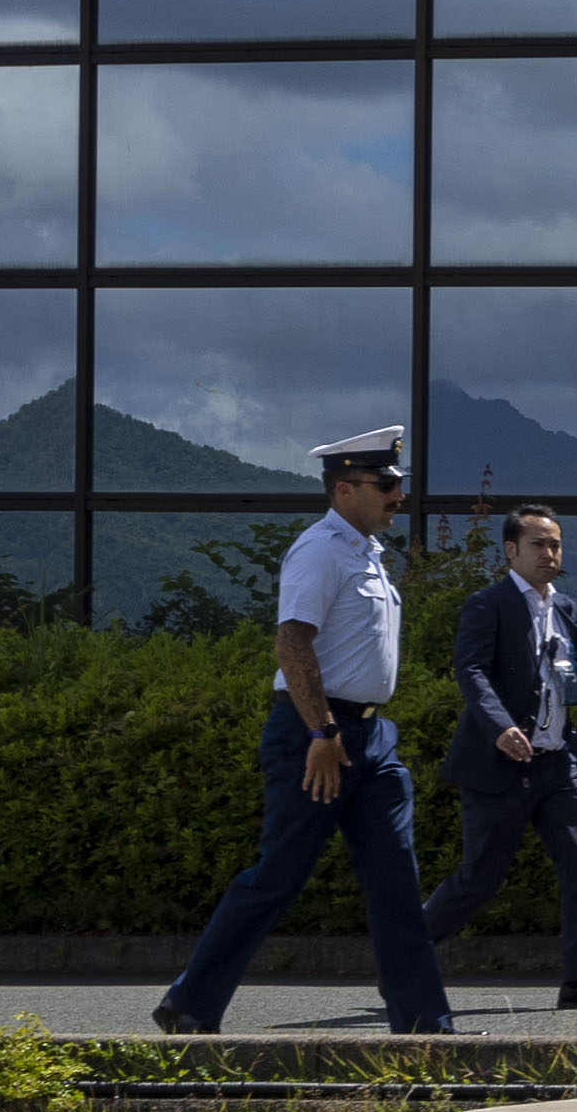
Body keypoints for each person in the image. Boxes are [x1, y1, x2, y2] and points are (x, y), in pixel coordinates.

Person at [154, 428, 456, 1036]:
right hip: (317, 735)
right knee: (278, 876)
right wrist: (321, 732)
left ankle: (427, 1026)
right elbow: (292, 643)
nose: (399, 494)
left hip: (371, 738)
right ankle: (190, 1006)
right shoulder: (319, 550)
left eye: (399, 484)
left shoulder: (366, 552)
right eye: (387, 485)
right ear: (344, 489)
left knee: (397, 880)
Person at [417, 505, 577, 1012]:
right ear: (511, 551)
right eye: (538, 544)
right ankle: (405, 954)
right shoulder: (487, 604)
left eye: (556, 544)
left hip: (558, 762)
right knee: (480, 879)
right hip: (501, 766)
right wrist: (500, 727)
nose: (550, 554)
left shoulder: (569, 610)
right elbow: (471, 670)